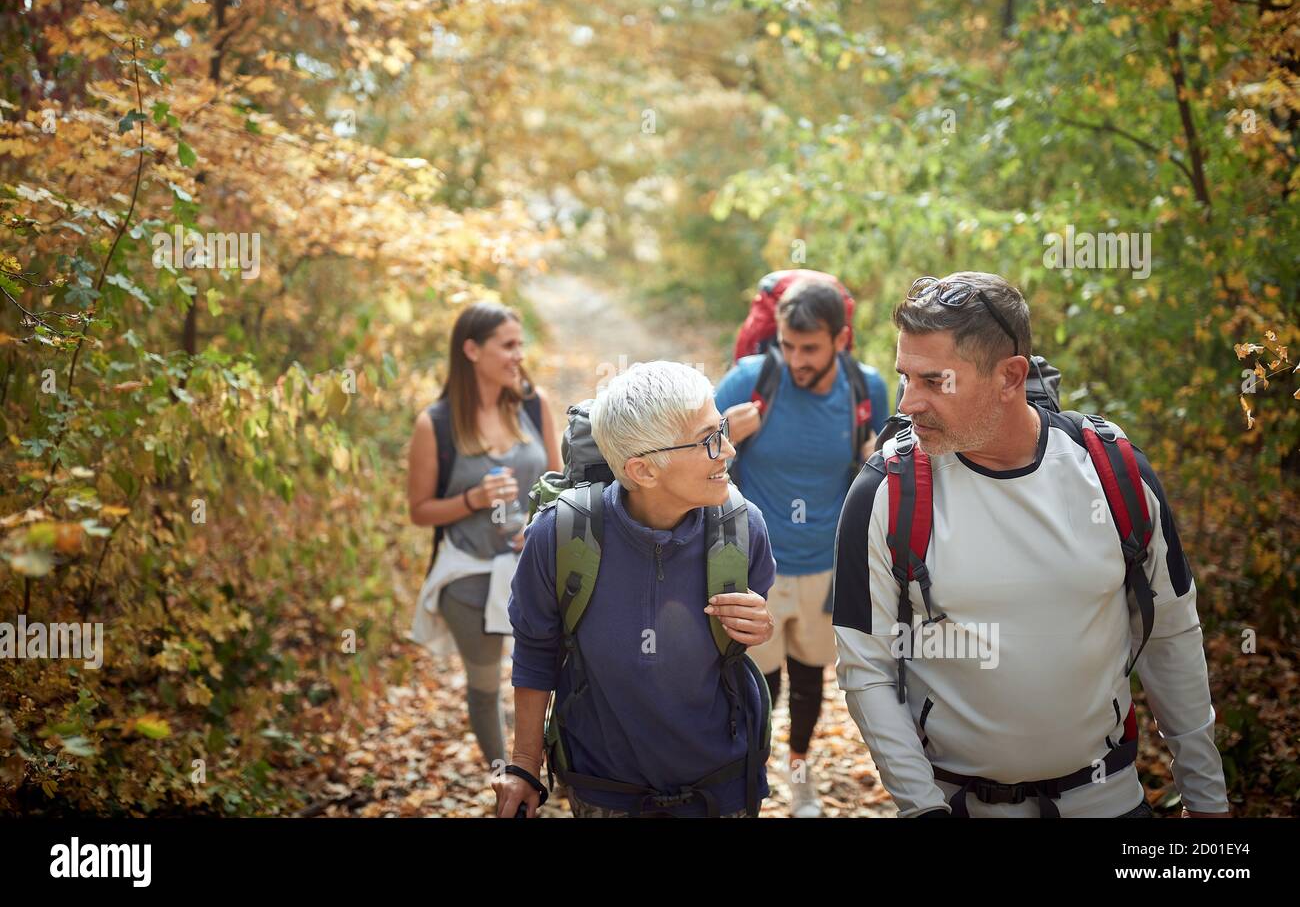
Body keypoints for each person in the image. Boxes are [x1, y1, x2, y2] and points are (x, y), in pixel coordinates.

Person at [832, 271, 1231, 817]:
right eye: (905, 377)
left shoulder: (1113, 475)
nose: (908, 404)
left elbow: (1171, 635)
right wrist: (922, 809)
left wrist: (1207, 798)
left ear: (1010, 375)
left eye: (934, 381)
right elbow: (866, 669)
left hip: (1109, 801)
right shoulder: (887, 492)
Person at [496, 361, 777, 818]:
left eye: (721, 429)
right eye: (708, 439)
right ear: (643, 470)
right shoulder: (559, 537)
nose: (727, 449)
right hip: (603, 788)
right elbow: (535, 648)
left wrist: (758, 626)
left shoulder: (742, 531)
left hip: (722, 786)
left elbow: (736, 647)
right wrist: (525, 765)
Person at [713, 278, 890, 816]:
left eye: (808, 348)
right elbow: (690, 457)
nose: (794, 360)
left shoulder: (867, 389)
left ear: (840, 338)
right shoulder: (751, 378)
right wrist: (723, 430)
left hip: (827, 566)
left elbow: (882, 472)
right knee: (758, 682)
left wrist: (873, 458)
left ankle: (798, 771)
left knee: (810, 676)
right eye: (787, 345)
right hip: (756, 567)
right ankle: (754, 774)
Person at [407, 301, 561, 770]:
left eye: (521, 344)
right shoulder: (434, 424)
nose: (519, 355)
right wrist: (473, 499)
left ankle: (559, 766)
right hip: (469, 574)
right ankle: (509, 780)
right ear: (471, 350)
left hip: (535, 569)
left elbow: (560, 483)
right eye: (508, 345)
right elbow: (419, 511)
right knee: (485, 683)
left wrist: (537, 523)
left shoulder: (534, 405)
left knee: (556, 672)